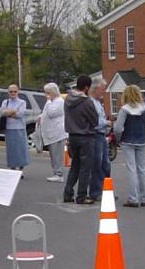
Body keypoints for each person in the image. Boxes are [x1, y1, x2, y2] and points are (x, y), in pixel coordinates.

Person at [112, 84, 145, 207]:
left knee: (131, 169)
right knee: (142, 169)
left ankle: (133, 198)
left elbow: (118, 128)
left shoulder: (124, 109)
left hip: (127, 141)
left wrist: (119, 140)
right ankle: (144, 198)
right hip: (142, 141)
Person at [63, 75, 100, 204]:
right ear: (86, 87)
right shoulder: (86, 101)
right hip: (86, 136)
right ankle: (81, 196)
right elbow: (95, 120)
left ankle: (68, 193)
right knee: (85, 168)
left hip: (72, 135)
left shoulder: (67, 99)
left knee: (75, 166)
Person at [38, 83, 67, 181]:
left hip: (57, 133)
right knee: (53, 154)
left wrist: (49, 101)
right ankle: (56, 172)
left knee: (57, 155)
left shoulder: (59, 101)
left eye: (48, 92)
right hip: (51, 132)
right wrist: (40, 117)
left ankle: (59, 174)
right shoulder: (50, 101)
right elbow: (45, 113)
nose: (46, 94)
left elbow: (51, 113)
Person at [0, 84, 29, 171]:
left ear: (18, 92)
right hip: (9, 128)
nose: (13, 93)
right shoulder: (5, 102)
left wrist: (9, 113)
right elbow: (3, 113)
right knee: (11, 149)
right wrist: (14, 111)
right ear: (8, 92)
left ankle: (21, 169)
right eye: (11, 92)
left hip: (19, 128)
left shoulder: (22, 102)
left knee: (20, 149)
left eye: (15, 91)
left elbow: (20, 114)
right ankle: (12, 167)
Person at [91, 84, 112, 190]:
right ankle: (96, 190)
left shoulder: (98, 103)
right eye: (102, 89)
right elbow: (95, 122)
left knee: (105, 164)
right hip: (96, 135)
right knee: (97, 163)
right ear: (95, 89)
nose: (103, 92)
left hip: (102, 135)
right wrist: (106, 122)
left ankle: (105, 189)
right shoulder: (91, 103)